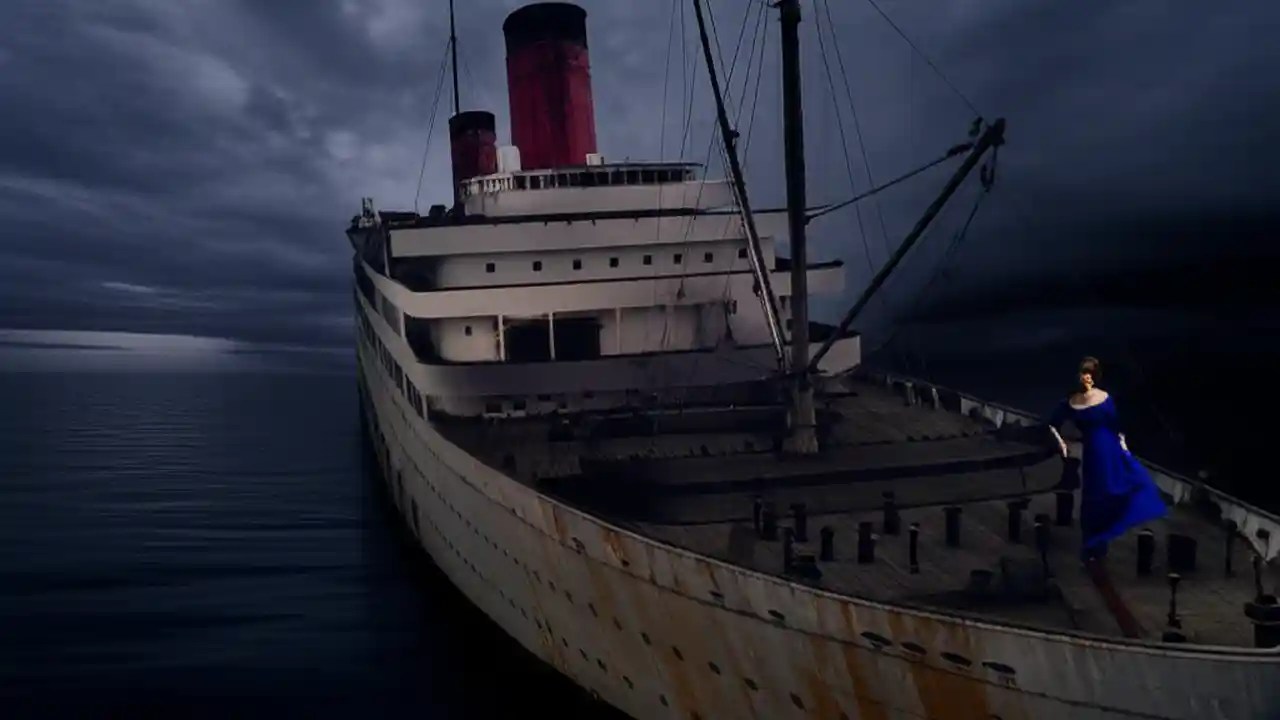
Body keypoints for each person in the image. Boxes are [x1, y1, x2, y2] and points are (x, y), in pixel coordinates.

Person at [1047, 356, 1167, 562]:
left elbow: (1117, 426)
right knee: (1093, 496)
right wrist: (1061, 444)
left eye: (1091, 376)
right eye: (1085, 375)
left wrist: (1124, 447)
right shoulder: (1070, 402)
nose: (1087, 379)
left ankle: (1101, 540)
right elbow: (1052, 423)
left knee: (1114, 489)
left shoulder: (1105, 398)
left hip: (1110, 448)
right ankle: (1092, 543)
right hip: (1093, 451)